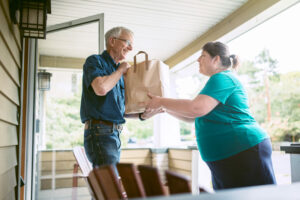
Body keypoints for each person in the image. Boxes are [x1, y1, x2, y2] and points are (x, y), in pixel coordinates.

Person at [146, 41, 276, 190]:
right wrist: (164, 107)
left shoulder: (223, 78)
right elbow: (193, 116)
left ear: (217, 59)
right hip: (228, 156)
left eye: (203, 56)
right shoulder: (217, 81)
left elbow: (196, 108)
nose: (198, 60)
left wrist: (161, 101)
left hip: (243, 149)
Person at [80, 26, 160, 168]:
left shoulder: (119, 75)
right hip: (100, 133)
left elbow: (121, 111)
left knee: (109, 185)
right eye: (128, 43)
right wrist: (121, 70)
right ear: (112, 41)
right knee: (110, 186)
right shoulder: (95, 61)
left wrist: (142, 115)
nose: (130, 48)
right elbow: (101, 88)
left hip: (113, 135)